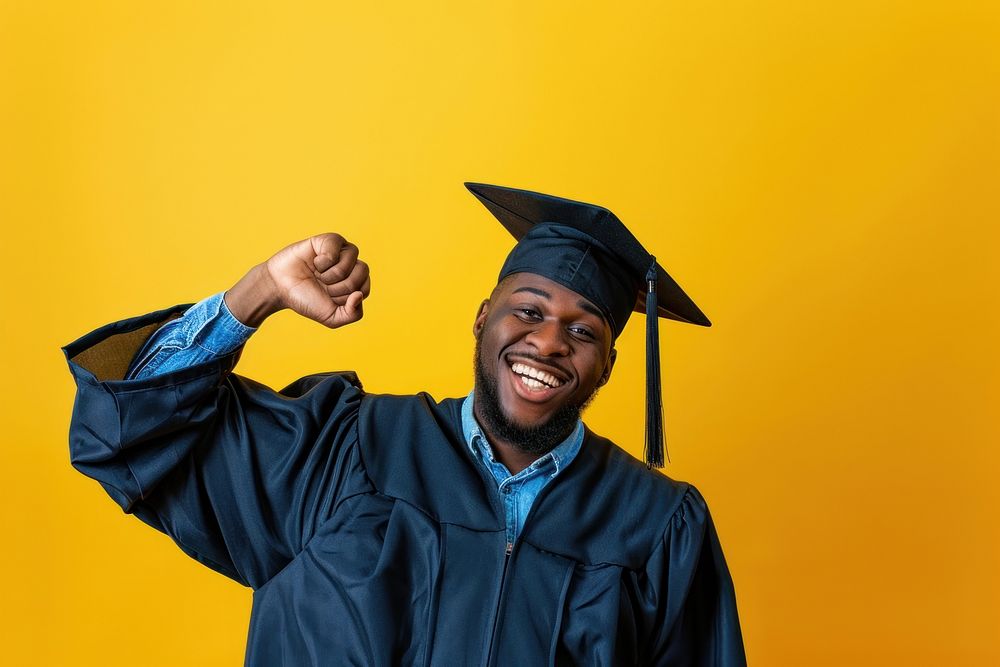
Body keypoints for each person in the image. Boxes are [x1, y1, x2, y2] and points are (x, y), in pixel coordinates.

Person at [63, 183, 747, 665]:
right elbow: (131, 423)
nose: (547, 342)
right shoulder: (342, 447)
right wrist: (260, 290)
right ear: (483, 317)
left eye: (583, 330)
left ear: (608, 364)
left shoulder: (657, 527)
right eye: (528, 310)